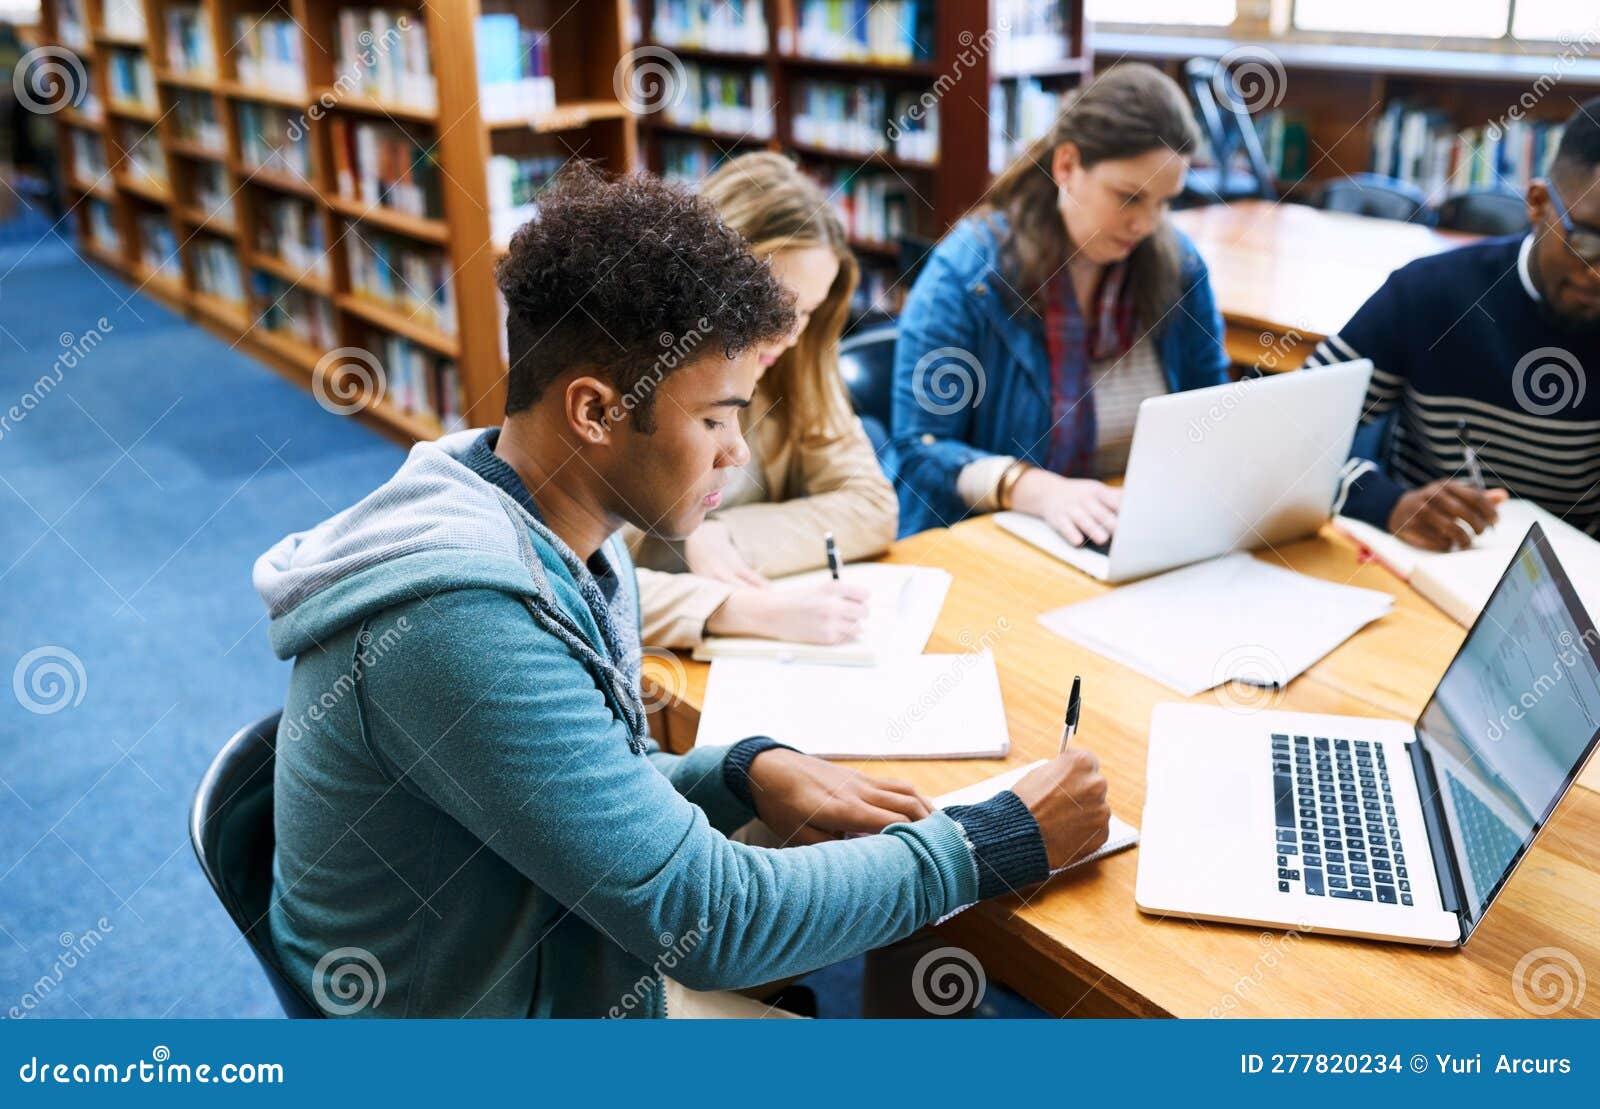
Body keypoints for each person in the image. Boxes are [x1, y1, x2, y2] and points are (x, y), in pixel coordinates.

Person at [253, 167, 1111, 1019]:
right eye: (715, 418)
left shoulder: (559, 528)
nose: (735, 451)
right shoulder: (461, 623)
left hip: (544, 958)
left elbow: (589, 776)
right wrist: (993, 842)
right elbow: (712, 920)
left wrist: (740, 770)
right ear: (593, 410)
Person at [892, 63, 1229, 541]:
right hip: (995, 544)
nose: (1147, 224)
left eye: (1164, 201)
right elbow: (919, 451)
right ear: (1067, 166)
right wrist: (1032, 489)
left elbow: (1210, 416)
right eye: (1129, 197)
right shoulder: (968, 275)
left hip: (1138, 534)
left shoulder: (1179, 268)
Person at [627, 152, 897, 650]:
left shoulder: (795, 363)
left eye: (809, 312)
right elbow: (575, 587)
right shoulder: (634, 376)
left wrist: (723, 533)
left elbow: (871, 506)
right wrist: (731, 603)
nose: (792, 335)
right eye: (779, 306)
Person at [1307, 97, 1600, 550]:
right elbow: (1294, 433)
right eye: (1587, 240)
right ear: (1538, 203)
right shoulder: (1430, 292)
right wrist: (1388, 504)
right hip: (1429, 564)